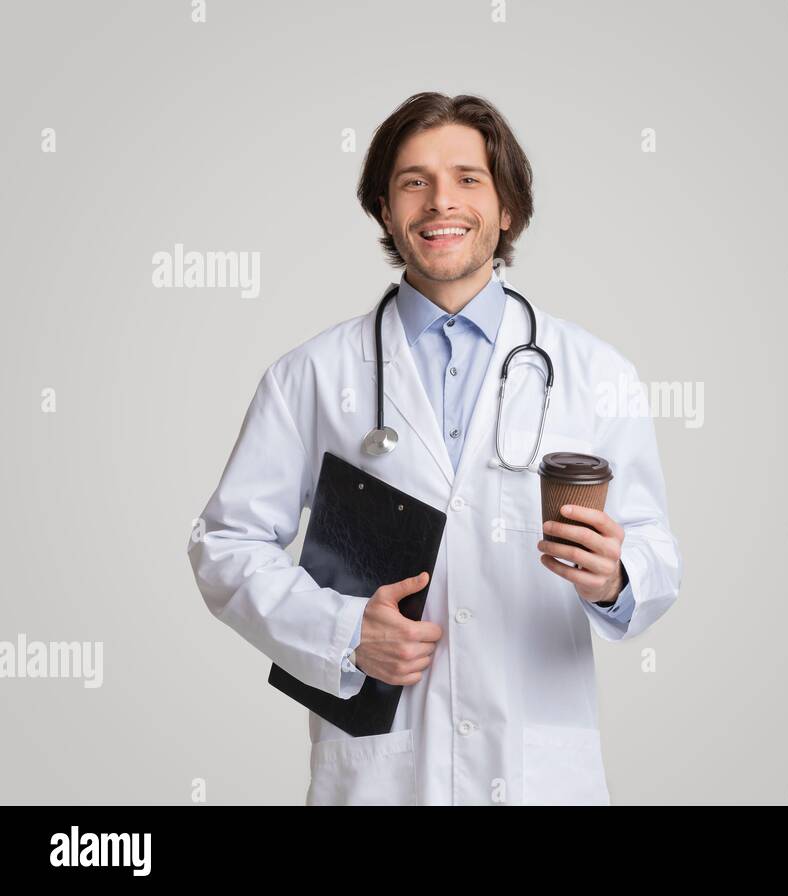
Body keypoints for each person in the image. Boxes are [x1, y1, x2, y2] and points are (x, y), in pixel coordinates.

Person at [187, 92, 682, 805]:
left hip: (540, 773)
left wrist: (615, 575)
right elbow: (223, 544)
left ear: (507, 208)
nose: (439, 201)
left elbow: (656, 552)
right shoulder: (313, 376)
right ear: (386, 211)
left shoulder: (596, 374)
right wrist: (344, 631)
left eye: (468, 178)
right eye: (413, 181)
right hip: (383, 776)